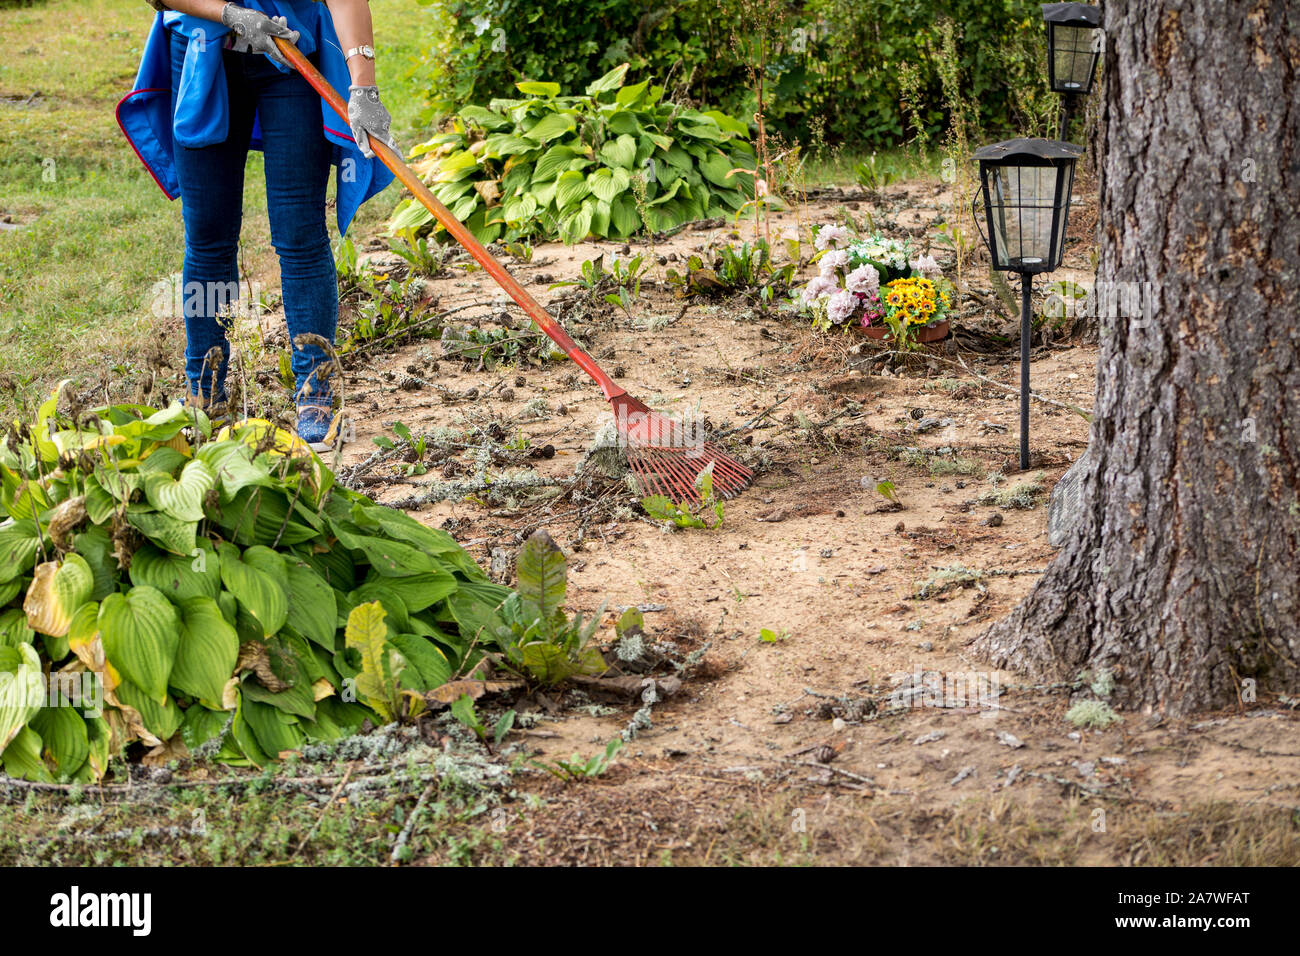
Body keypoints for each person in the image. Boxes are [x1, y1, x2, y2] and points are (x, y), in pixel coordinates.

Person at [117, 0, 398, 449]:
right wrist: (229, 14)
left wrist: (363, 88)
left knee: (301, 234)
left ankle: (315, 395)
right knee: (208, 237)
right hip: (204, 44)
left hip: (292, 51)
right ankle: (205, 395)